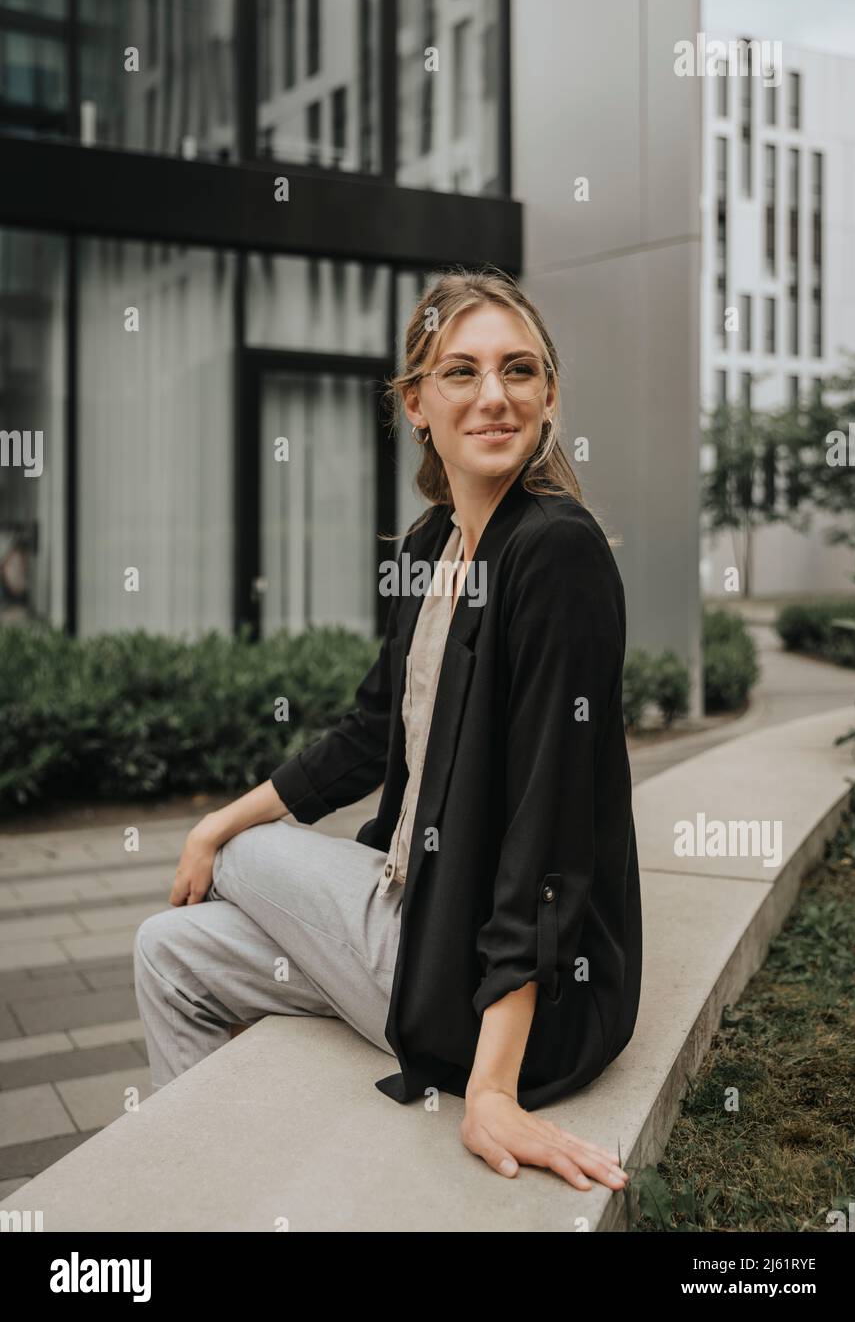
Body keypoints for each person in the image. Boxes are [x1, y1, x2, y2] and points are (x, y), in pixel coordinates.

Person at [133, 266, 641, 1194]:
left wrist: (491, 1087)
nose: (494, 396)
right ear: (416, 402)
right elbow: (372, 732)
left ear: (550, 393)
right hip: (415, 922)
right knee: (167, 953)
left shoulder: (554, 552)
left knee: (245, 863)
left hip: (501, 987)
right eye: (461, 373)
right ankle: (211, 1196)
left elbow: (548, 832)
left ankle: (463, 1052)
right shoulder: (429, 547)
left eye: (519, 371)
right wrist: (212, 820)